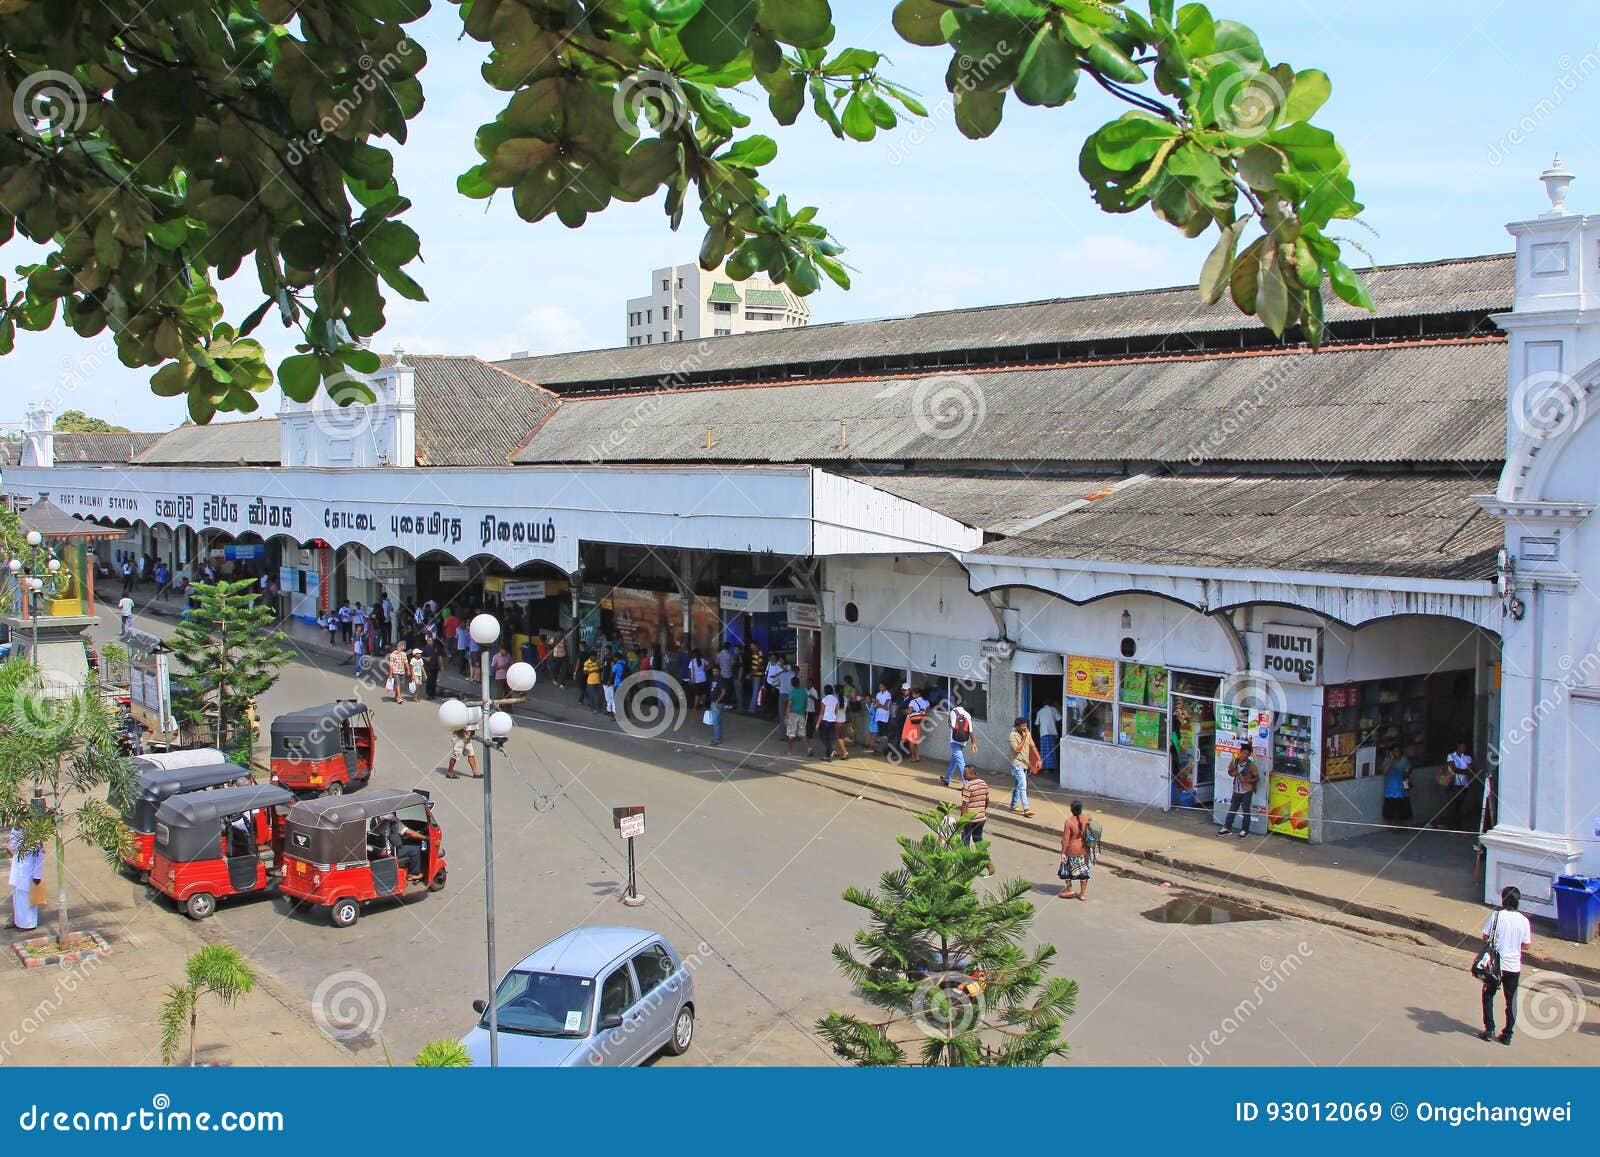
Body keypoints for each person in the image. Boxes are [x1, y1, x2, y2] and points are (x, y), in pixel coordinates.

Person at [1480, 885, 1532, 1045]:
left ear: (1503, 900)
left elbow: (1485, 935)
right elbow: (1526, 945)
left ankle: (1489, 1029)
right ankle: (1507, 1034)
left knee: (1488, 995)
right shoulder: (1524, 921)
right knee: (1511, 1001)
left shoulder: (1496, 916)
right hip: (1513, 966)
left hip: (1496, 966)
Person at [6, 827, 43, 931]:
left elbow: (39, 856)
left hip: (29, 872)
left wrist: (37, 875)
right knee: (17, 898)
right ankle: (18, 921)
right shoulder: (17, 831)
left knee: (26, 898)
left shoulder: (35, 834)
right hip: (18, 869)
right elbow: (12, 846)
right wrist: (15, 830)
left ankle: (28, 924)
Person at [959, 764, 992, 875]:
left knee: (965, 841)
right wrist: (982, 811)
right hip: (981, 818)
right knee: (978, 840)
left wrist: (963, 820)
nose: (964, 775)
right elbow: (987, 801)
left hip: (970, 819)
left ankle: (966, 865)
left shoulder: (967, 786)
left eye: (965, 773)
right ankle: (989, 864)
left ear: (972, 774)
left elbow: (964, 805)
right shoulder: (984, 784)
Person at [1218, 747, 1259, 838]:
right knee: (1232, 809)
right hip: (1236, 790)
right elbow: (1229, 772)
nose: (1244, 755)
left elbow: (1257, 778)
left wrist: (1247, 780)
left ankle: (1245, 830)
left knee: (1246, 811)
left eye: (1247, 754)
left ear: (1249, 755)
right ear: (1240, 752)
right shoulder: (1234, 761)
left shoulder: (1252, 765)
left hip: (1247, 791)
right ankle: (1227, 828)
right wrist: (1233, 773)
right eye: (1243, 753)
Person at [1058, 801, 1092, 901]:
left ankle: (1069, 889)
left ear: (1071, 809)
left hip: (1071, 850)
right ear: (1081, 809)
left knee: (1066, 871)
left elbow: (1065, 839)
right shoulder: (1086, 818)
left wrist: (1063, 852)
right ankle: (1082, 894)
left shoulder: (1069, 821)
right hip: (1084, 850)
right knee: (1084, 873)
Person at [1007, 717, 1038, 817]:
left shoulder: (1027, 733)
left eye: (1026, 726)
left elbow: (1032, 745)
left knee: (1018, 785)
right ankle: (1026, 808)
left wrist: (1038, 758)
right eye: (1022, 726)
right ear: (1017, 727)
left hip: (1025, 762)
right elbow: (1017, 749)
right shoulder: (1012, 735)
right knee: (1023, 785)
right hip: (1017, 763)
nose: (1025, 728)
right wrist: (1024, 738)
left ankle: (1013, 804)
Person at [943, 700, 977, 787]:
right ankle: (947, 778)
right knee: (954, 760)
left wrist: (948, 718)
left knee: (961, 762)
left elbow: (953, 726)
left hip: (955, 740)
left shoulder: (953, 712)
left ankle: (966, 783)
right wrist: (973, 743)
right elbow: (970, 731)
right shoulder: (967, 714)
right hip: (963, 741)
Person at [1381, 745, 1413, 826]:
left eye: (1398, 751)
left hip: (1402, 787)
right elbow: (1385, 772)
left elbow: (1407, 773)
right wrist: (1391, 761)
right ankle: (1394, 825)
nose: (1396, 753)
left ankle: (1404, 824)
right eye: (1394, 751)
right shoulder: (1387, 760)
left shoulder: (1404, 760)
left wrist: (1407, 784)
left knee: (1403, 807)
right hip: (1391, 788)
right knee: (1392, 808)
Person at [1446, 742, 1475, 830]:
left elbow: (1470, 770)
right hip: (1454, 784)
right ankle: (1452, 826)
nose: (1463, 748)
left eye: (1464, 746)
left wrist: (1465, 771)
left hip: (1464, 784)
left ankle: (1458, 825)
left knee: (1460, 805)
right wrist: (1465, 771)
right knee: (1453, 805)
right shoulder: (1451, 756)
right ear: (1457, 747)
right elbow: (1453, 769)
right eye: (1461, 746)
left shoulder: (1467, 757)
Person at [386, 813, 424, 878]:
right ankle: (413, 874)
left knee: (404, 841)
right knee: (415, 849)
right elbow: (411, 833)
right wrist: (425, 838)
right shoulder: (393, 820)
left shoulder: (376, 819)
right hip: (390, 852)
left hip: (381, 849)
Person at [784, 679, 812, 758]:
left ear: (792, 684)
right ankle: (809, 748)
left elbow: (789, 706)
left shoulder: (792, 693)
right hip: (801, 714)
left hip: (793, 714)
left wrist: (786, 717)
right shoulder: (804, 691)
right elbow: (806, 703)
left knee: (791, 734)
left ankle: (789, 751)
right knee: (803, 733)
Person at [903, 686, 930, 761]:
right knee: (915, 739)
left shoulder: (913, 701)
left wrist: (904, 711)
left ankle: (913, 757)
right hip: (919, 721)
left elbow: (909, 711)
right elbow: (927, 710)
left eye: (913, 694)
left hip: (911, 721)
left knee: (911, 740)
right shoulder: (926, 701)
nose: (912, 695)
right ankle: (917, 756)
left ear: (917, 694)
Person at [1035, 700, 1062, 773]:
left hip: (1044, 734)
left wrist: (1038, 734)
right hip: (1053, 733)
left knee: (1044, 752)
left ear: (1043, 704)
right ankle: (1052, 768)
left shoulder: (1040, 711)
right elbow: (1059, 720)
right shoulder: (1054, 710)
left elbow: (1037, 724)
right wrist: (1057, 729)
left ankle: (1046, 768)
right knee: (1052, 750)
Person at [818, 684, 840, 761]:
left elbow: (821, 712)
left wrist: (817, 723)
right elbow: (836, 710)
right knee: (829, 738)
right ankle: (827, 756)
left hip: (825, 720)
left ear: (825, 691)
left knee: (822, 737)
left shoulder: (824, 699)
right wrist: (833, 715)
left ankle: (831, 750)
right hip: (833, 720)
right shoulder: (835, 699)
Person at [873, 681, 894, 756]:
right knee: (879, 733)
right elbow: (876, 704)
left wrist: (879, 705)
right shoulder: (878, 694)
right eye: (880, 686)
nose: (880, 687)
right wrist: (877, 705)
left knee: (884, 734)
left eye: (882, 686)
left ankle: (884, 750)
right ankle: (878, 749)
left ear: (885, 687)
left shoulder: (888, 695)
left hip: (885, 716)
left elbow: (886, 707)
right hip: (879, 716)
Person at [707, 676, 728, 746]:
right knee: (718, 721)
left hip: (717, 703)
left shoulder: (721, 680)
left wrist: (717, 701)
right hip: (714, 702)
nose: (714, 673)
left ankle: (717, 740)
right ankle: (719, 738)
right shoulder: (713, 679)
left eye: (716, 671)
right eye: (713, 671)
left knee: (716, 722)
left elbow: (723, 692)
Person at [605, 651, 626, 716]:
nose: (614, 659)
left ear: (616, 658)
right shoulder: (625, 663)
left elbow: (612, 675)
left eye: (614, 658)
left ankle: (616, 714)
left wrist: (609, 682)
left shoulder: (616, 665)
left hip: (618, 684)